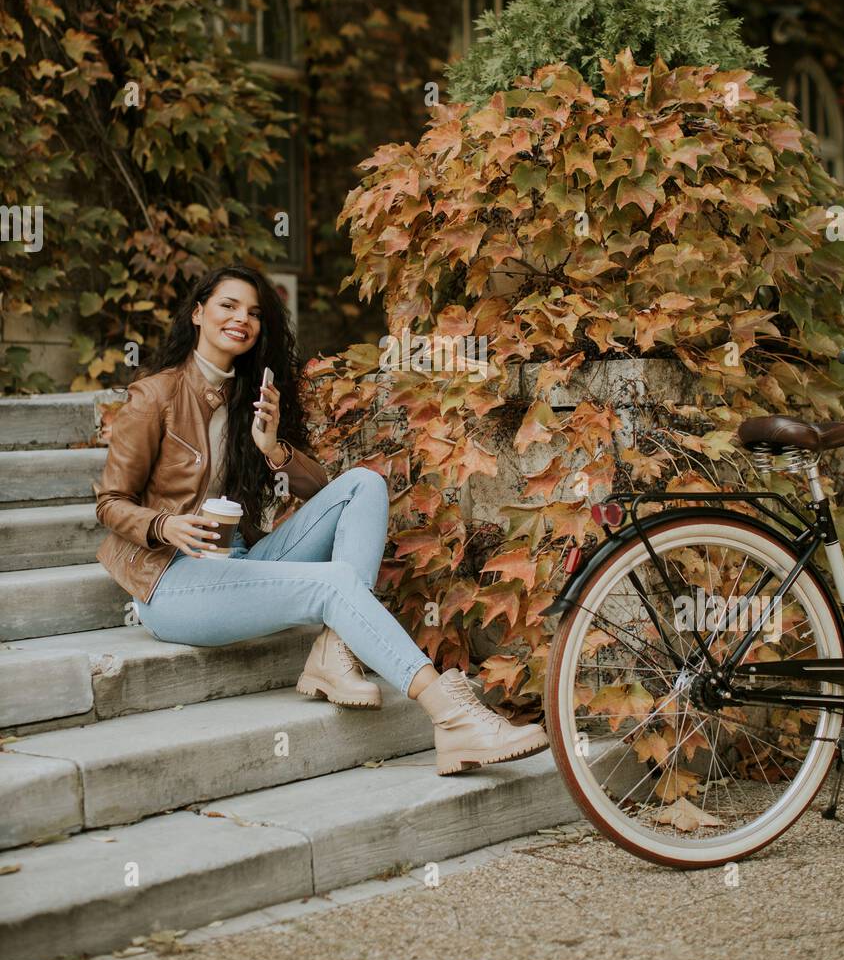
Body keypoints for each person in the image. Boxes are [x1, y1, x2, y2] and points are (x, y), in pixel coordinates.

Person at [94, 263, 549, 775]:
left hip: (238, 561)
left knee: (365, 484)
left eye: (254, 312)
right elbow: (109, 503)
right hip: (171, 581)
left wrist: (272, 449)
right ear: (198, 313)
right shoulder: (153, 396)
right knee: (333, 583)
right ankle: (449, 715)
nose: (241, 318)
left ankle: (335, 649)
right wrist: (165, 526)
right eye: (227, 306)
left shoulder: (250, 397)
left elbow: (323, 489)